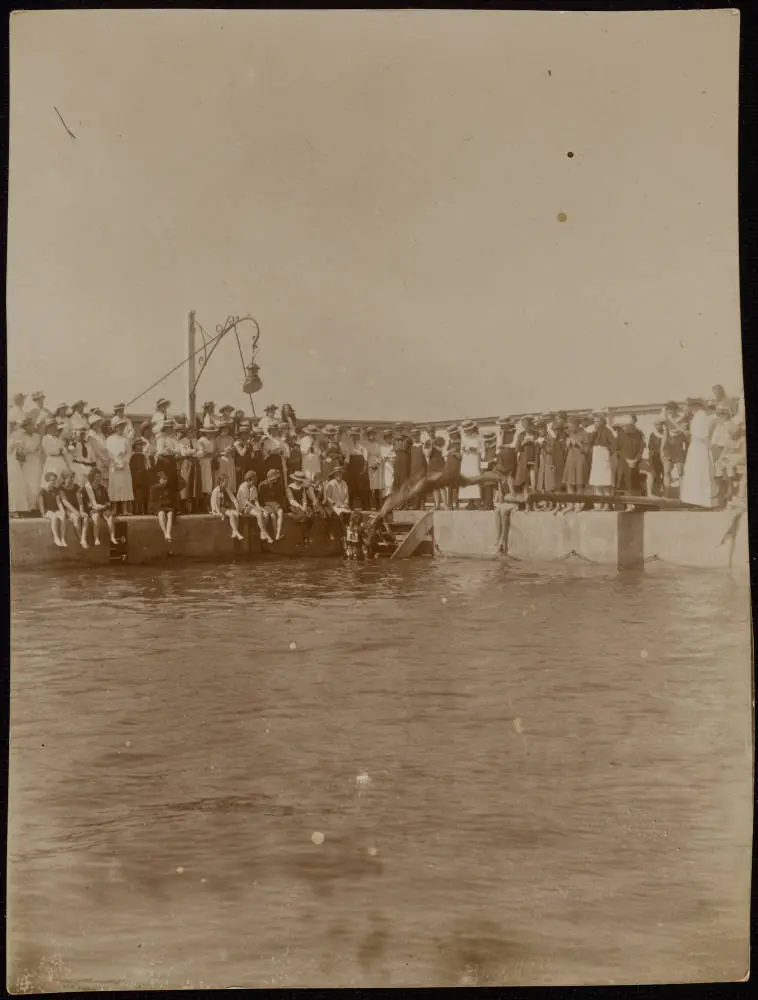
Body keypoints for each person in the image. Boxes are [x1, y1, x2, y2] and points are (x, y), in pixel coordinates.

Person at [680, 397, 719, 508]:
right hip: (696, 447)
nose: (686, 408)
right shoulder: (698, 417)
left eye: (688, 406)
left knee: (700, 472)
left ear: (695, 406)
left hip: (700, 448)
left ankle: (703, 501)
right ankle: (696, 500)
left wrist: (707, 449)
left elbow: (703, 435)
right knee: (695, 472)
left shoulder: (701, 417)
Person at [587, 412, 616, 508]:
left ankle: (607, 504)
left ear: (603, 422)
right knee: (597, 482)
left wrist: (608, 452)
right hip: (596, 458)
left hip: (604, 456)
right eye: (594, 421)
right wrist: (593, 433)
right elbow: (589, 443)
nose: (595, 423)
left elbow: (614, 444)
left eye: (597, 421)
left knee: (605, 481)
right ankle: (598, 504)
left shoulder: (607, 431)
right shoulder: (594, 432)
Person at [106, 416, 134, 515]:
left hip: (124, 465)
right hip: (114, 465)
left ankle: (124, 509)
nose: (121, 428)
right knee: (114, 485)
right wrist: (116, 461)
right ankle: (114, 509)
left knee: (124, 485)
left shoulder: (126, 439)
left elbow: (129, 453)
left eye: (123, 426)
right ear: (115, 427)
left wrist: (124, 462)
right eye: (119, 426)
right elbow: (108, 452)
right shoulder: (109, 439)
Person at [615, 414, 646, 502]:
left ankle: (635, 503)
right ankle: (625, 503)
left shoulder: (639, 433)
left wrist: (635, 459)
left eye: (626, 426)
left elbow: (641, 448)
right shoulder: (621, 434)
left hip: (635, 463)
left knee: (634, 483)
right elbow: (618, 449)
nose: (624, 427)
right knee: (623, 483)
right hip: (623, 462)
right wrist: (627, 459)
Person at [83, 469, 118, 545]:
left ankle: (112, 537)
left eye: (99, 476)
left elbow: (108, 501)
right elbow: (87, 504)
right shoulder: (87, 488)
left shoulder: (102, 488)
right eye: (97, 476)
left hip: (103, 509)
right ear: (92, 477)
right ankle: (96, 538)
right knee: (96, 517)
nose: (99, 478)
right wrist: (95, 507)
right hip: (93, 510)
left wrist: (105, 505)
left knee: (110, 517)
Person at [237, 470, 273, 542]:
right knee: (259, 514)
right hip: (243, 507)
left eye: (255, 479)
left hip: (251, 506)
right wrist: (256, 508)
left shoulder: (253, 487)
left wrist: (259, 507)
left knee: (266, 513)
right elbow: (246, 502)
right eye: (254, 479)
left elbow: (256, 500)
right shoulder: (242, 487)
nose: (255, 481)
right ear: (249, 479)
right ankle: (265, 534)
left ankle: (262, 532)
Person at [562, 418, 589, 511]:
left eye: (571, 426)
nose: (569, 428)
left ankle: (578, 504)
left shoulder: (584, 434)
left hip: (580, 461)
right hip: (570, 461)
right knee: (569, 483)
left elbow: (587, 450)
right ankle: (571, 504)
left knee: (579, 483)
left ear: (576, 425)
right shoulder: (570, 434)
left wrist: (578, 444)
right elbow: (566, 450)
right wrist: (567, 445)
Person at [57, 471, 88, 547]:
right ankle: (81, 540)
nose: (72, 479)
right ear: (65, 478)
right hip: (68, 510)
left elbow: (80, 500)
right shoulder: (61, 488)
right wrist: (75, 511)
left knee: (86, 516)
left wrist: (81, 511)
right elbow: (65, 502)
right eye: (70, 477)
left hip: (77, 509)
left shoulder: (76, 486)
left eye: (72, 477)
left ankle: (83, 538)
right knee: (76, 517)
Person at [210, 473, 244, 540]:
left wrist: (237, 509)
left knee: (236, 514)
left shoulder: (226, 489)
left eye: (227, 482)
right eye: (226, 482)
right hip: (217, 508)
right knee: (231, 514)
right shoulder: (216, 490)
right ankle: (236, 532)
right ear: (221, 482)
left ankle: (234, 532)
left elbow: (233, 499)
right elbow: (215, 504)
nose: (227, 484)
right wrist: (218, 513)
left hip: (223, 508)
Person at [38, 472, 67, 546]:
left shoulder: (56, 490)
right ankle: (56, 537)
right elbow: (41, 504)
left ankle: (63, 538)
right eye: (52, 480)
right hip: (47, 511)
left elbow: (58, 502)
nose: (54, 482)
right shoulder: (42, 491)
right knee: (54, 517)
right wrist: (43, 513)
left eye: (55, 480)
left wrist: (62, 511)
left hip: (55, 510)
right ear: (47, 481)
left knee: (63, 517)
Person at [459, 419, 482, 509]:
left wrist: (475, 450)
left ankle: (477, 501)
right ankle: (470, 501)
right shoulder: (464, 438)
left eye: (468, 429)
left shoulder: (478, 438)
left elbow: (482, 450)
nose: (467, 431)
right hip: (466, 460)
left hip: (475, 460)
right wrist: (464, 450)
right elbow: (461, 450)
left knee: (474, 478)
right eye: (466, 430)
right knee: (466, 478)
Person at [7, 421, 29, 516]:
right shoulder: (12, 440)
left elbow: (21, 455)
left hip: (13, 464)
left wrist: (19, 451)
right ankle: (12, 509)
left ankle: (15, 509)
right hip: (11, 463)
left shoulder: (15, 440)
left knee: (15, 485)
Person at [40, 418, 71, 487]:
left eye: (55, 426)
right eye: (52, 427)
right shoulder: (46, 438)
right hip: (52, 460)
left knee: (65, 477)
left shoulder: (57, 438)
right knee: (53, 479)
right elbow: (48, 451)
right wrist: (59, 451)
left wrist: (64, 450)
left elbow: (64, 450)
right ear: (47, 428)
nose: (54, 428)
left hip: (60, 460)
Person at [149, 468, 177, 542]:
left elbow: (171, 499)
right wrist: (161, 502)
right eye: (163, 479)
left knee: (170, 513)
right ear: (159, 480)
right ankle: (165, 533)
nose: (165, 481)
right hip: (157, 506)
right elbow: (153, 501)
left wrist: (165, 502)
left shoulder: (169, 487)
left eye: (166, 479)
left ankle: (168, 533)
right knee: (161, 513)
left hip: (167, 506)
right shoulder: (153, 488)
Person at [258, 468, 285, 541]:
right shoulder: (262, 485)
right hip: (266, 504)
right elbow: (260, 499)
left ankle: (278, 533)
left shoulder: (277, 485)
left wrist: (279, 504)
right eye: (274, 478)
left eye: (276, 478)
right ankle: (275, 533)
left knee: (281, 512)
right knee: (273, 516)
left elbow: (280, 497)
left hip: (275, 504)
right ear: (269, 477)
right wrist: (263, 507)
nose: (275, 480)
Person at [196, 424, 217, 511]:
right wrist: (211, 454)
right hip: (203, 463)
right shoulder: (201, 440)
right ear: (205, 433)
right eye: (209, 432)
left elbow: (213, 452)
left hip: (209, 463)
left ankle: (207, 503)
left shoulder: (212, 440)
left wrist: (213, 454)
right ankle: (201, 505)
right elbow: (201, 454)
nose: (211, 434)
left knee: (209, 483)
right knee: (203, 482)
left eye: (212, 432)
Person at [129, 439, 152, 515]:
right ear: (135, 446)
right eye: (138, 445)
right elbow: (131, 467)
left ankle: (146, 510)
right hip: (135, 477)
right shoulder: (132, 456)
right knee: (136, 494)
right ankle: (137, 510)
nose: (140, 446)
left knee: (145, 493)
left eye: (141, 445)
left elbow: (148, 466)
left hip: (144, 477)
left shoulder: (144, 455)